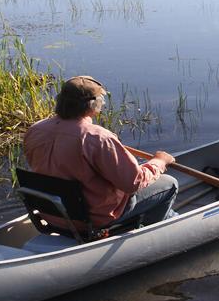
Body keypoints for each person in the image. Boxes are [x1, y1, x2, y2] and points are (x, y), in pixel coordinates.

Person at [22, 75, 178, 233]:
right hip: (92, 219)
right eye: (101, 99)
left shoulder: (35, 130)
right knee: (169, 184)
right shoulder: (98, 138)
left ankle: (169, 217)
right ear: (93, 104)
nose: (103, 103)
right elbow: (133, 183)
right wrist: (159, 161)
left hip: (52, 212)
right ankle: (155, 231)